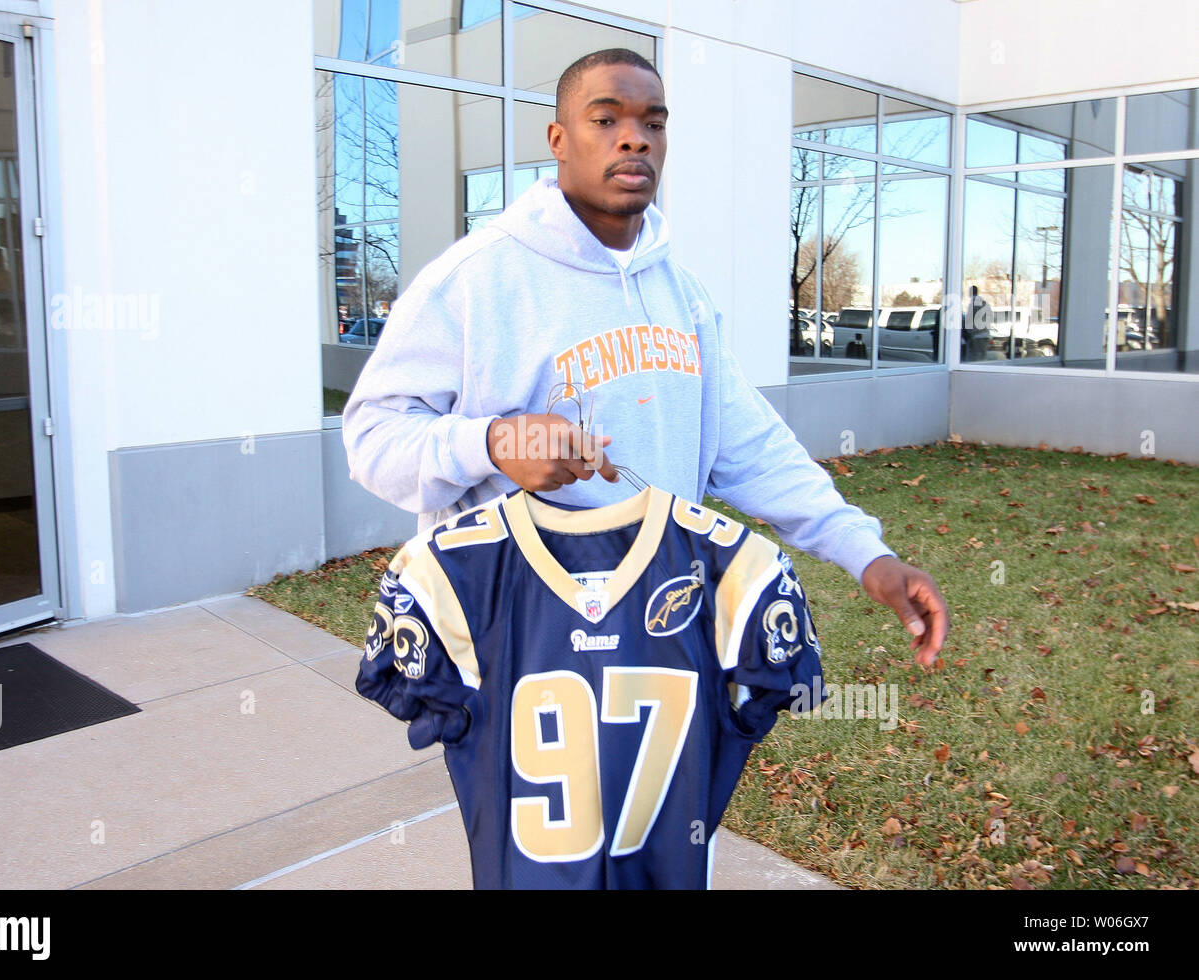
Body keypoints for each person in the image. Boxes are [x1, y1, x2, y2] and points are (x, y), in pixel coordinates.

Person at [342, 48, 948, 666]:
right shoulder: (474, 280)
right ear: (558, 138)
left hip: (659, 619)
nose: (634, 140)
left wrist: (865, 554)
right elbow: (373, 439)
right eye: (605, 120)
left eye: (652, 123)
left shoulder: (682, 295)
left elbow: (751, 447)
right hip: (513, 635)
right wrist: (494, 443)